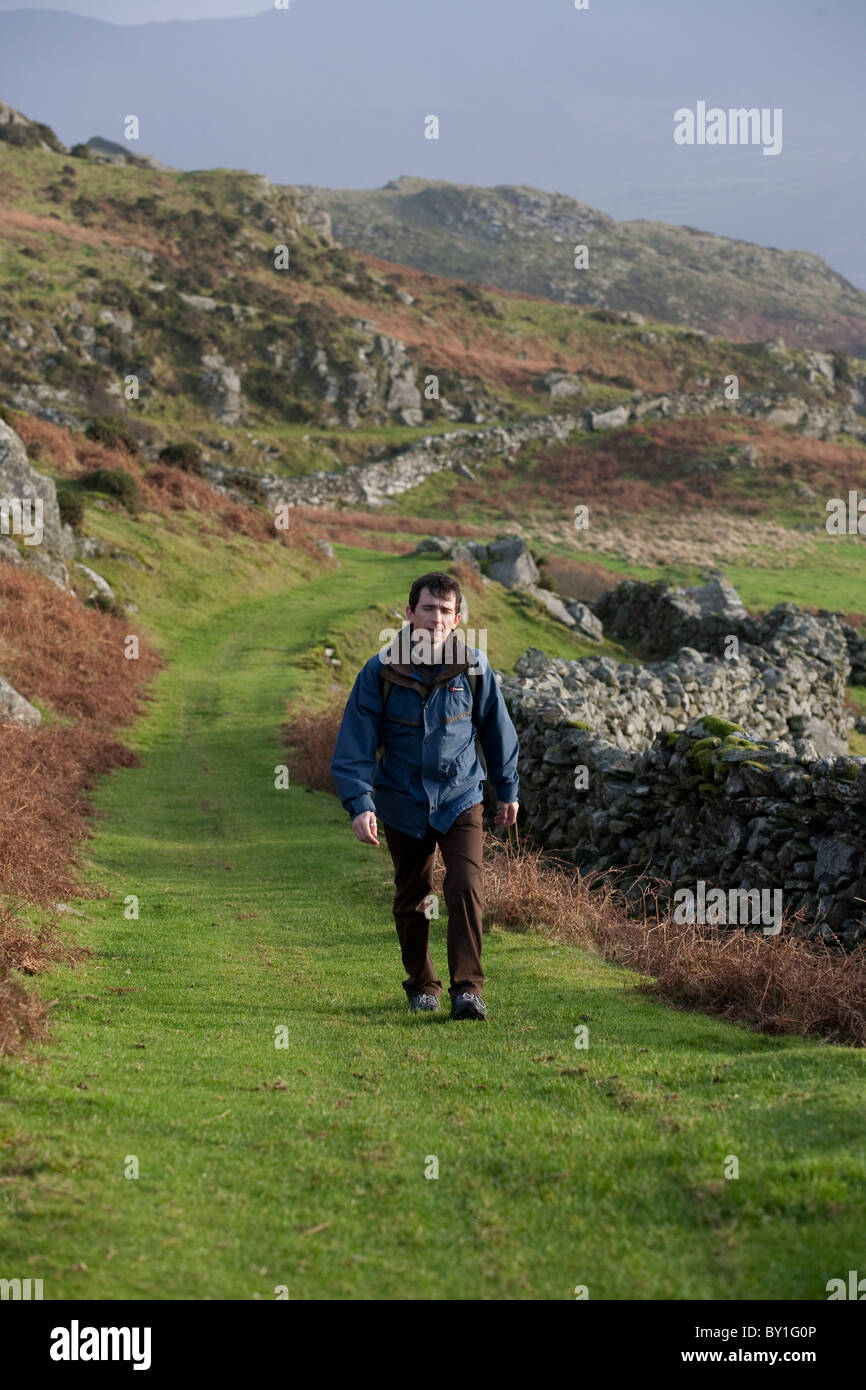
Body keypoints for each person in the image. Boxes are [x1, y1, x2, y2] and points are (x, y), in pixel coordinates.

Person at [330, 571, 519, 1021]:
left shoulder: (474, 668)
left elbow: (496, 732)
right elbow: (355, 743)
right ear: (410, 612)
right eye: (428, 608)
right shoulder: (380, 671)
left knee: (466, 887)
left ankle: (467, 989)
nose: (436, 618)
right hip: (401, 801)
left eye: (445, 611)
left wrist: (507, 787)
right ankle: (422, 985)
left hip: (461, 798)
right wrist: (360, 803)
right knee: (412, 895)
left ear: (457, 620)